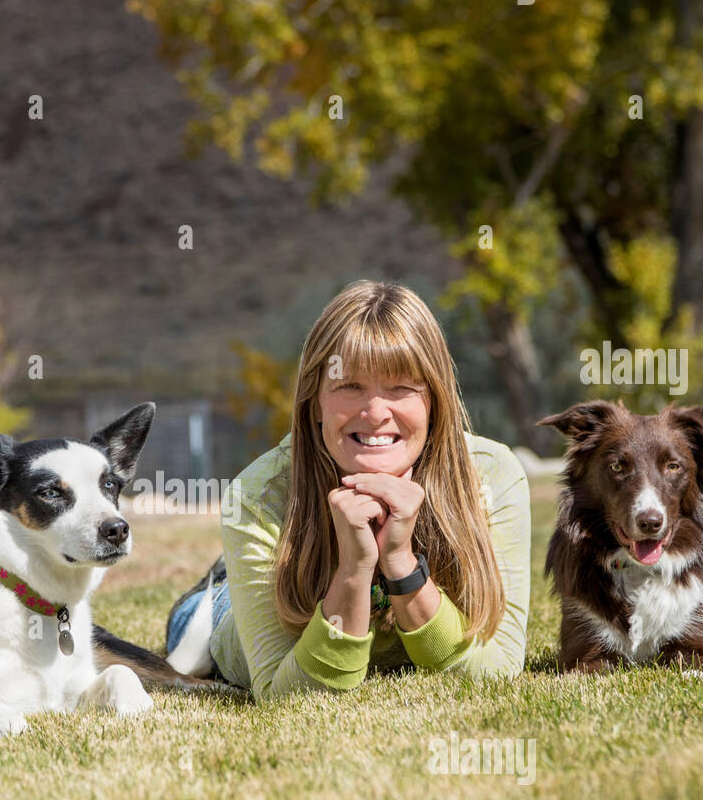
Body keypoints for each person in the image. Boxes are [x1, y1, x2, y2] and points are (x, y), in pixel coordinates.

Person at [165, 280, 531, 700]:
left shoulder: (492, 475)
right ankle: (217, 585)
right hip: (221, 614)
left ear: (435, 400)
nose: (375, 412)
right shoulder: (256, 495)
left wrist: (399, 561)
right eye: (349, 386)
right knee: (199, 630)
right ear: (315, 401)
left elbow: (497, 672)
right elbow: (284, 695)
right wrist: (355, 569)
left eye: (401, 387)